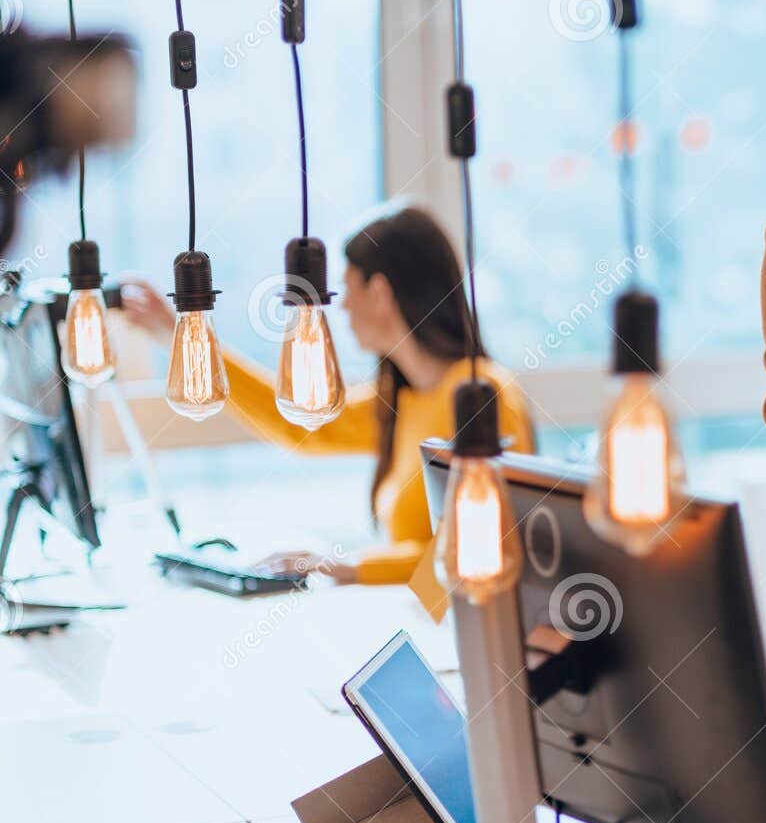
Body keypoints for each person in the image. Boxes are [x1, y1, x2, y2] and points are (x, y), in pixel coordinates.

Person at [122, 203, 533, 585]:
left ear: (380, 292)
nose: (341, 307)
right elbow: (301, 424)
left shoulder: (480, 395)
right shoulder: (402, 397)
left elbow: (479, 552)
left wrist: (343, 565)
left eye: (345, 288)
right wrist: (179, 337)